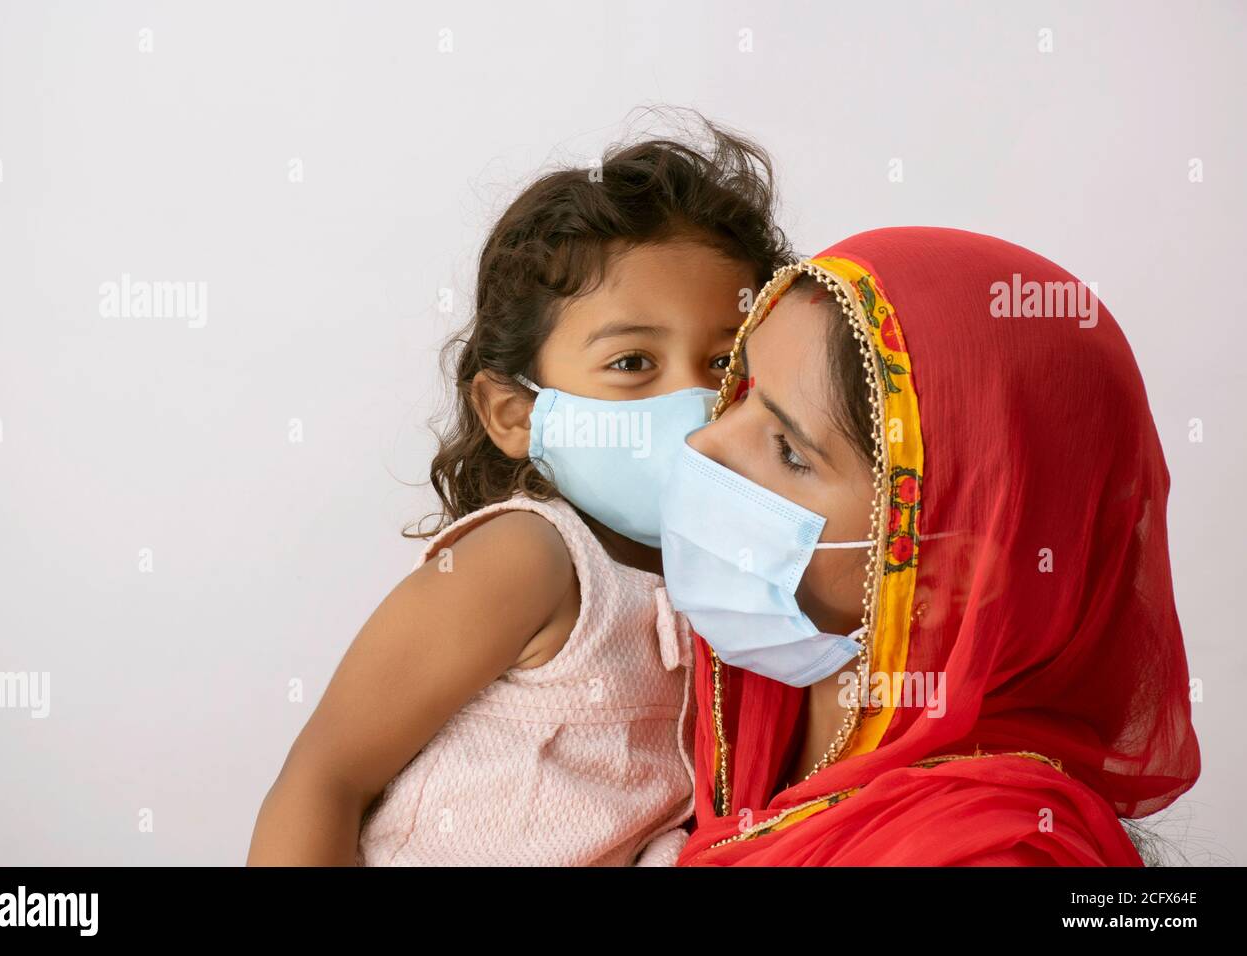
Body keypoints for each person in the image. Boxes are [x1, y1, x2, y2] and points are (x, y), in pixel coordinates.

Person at [246, 122, 793, 865]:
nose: (694, 402)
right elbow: (325, 777)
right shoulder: (527, 557)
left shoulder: (741, 587)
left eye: (726, 361)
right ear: (516, 414)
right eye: (633, 361)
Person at [658, 226, 1200, 865]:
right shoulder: (739, 723)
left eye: (789, 451)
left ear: (948, 577)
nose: (704, 442)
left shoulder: (986, 856)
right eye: (742, 388)